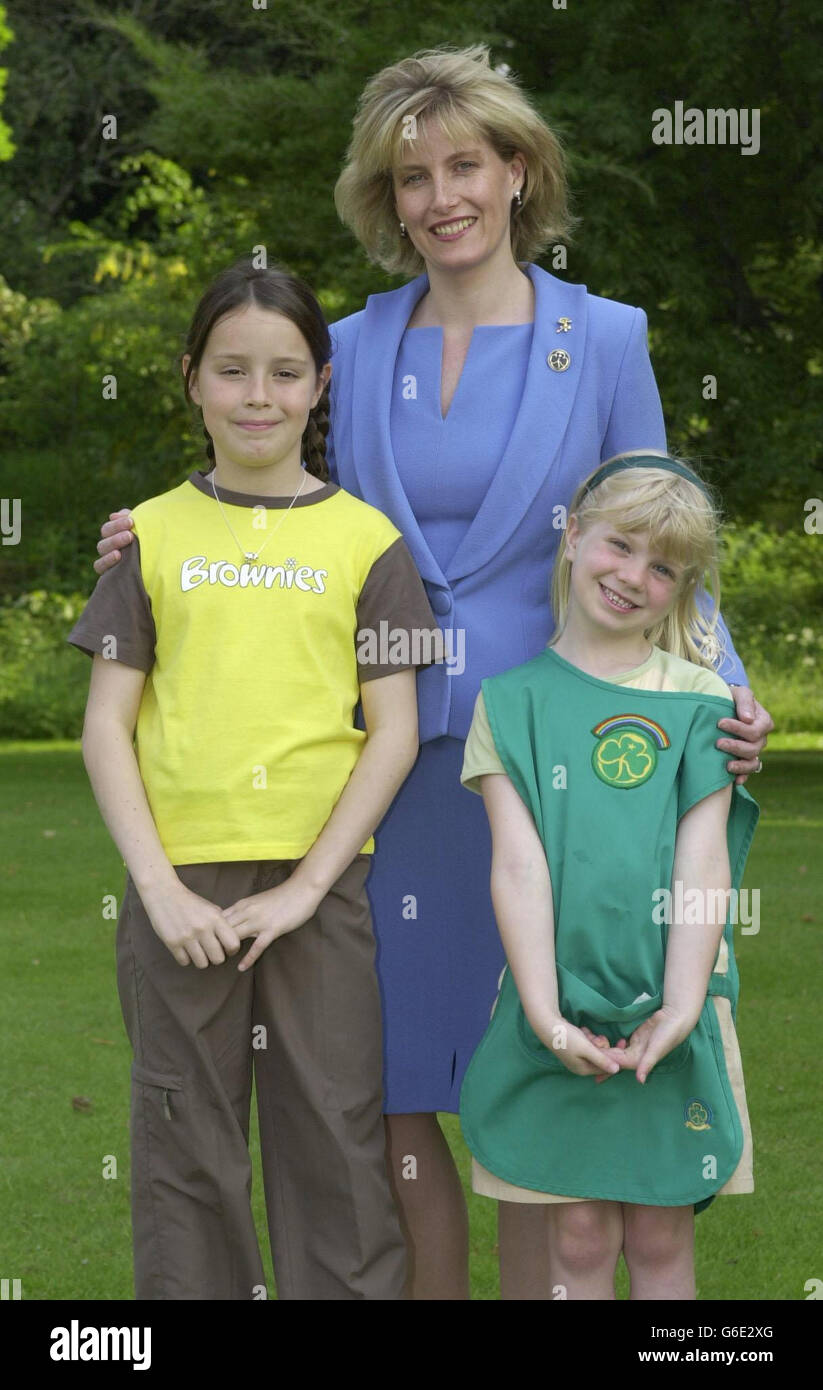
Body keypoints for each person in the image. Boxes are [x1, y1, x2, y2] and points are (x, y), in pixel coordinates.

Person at [92, 46, 773, 1299]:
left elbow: (662, 523)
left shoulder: (607, 338)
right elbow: (272, 495)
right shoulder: (342, 345)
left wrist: (722, 684)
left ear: (518, 172)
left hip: (556, 764)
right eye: (413, 175)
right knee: (392, 1094)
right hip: (380, 760)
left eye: (466, 164)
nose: (441, 195)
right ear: (388, 197)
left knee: (529, 1090)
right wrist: (148, 533)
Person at [68, 258, 440, 1300]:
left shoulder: (369, 543)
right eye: (233, 371)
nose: (259, 396)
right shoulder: (148, 537)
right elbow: (106, 727)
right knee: (185, 1144)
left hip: (319, 892)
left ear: (321, 383)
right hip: (178, 890)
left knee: (336, 1138)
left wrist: (305, 888)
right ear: (192, 379)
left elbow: (394, 732)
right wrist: (160, 892)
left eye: (284, 372)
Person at [459, 453, 760, 1300]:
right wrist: (549, 1020)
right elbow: (516, 868)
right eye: (619, 546)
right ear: (571, 536)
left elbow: (703, 864)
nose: (632, 576)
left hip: (675, 1003)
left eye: (662, 567)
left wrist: (681, 1006)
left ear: (682, 588)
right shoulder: (508, 702)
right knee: (581, 1235)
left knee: (661, 1230)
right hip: (555, 1005)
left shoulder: (702, 700)